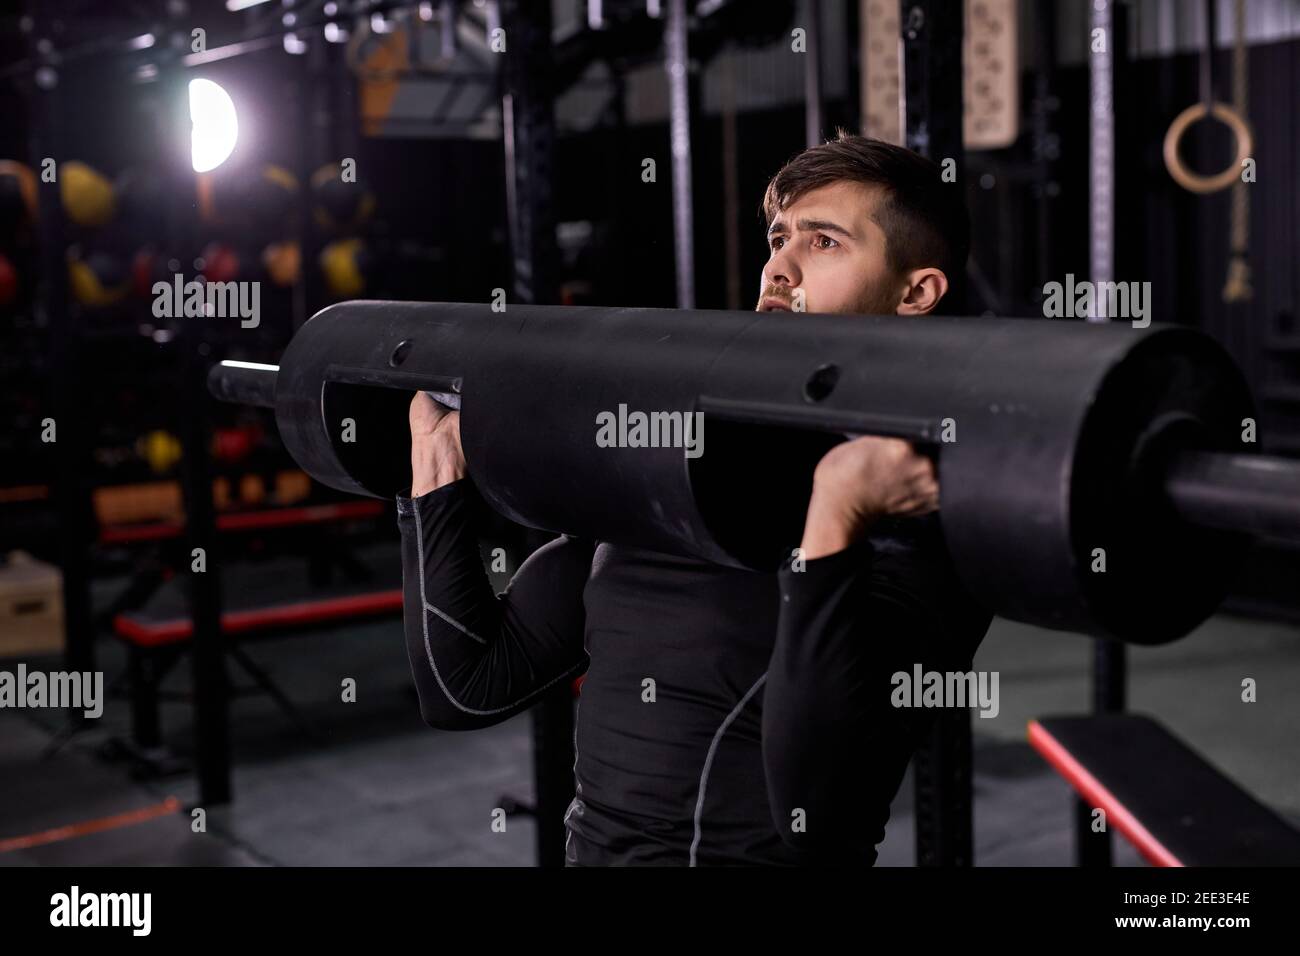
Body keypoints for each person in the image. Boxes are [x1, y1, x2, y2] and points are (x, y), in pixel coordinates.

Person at [397, 132, 991, 865]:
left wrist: (835, 516)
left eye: (826, 242)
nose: (780, 266)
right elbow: (465, 690)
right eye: (779, 239)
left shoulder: (922, 516)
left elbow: (820, 811)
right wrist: (436, 468)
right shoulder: (675, 469)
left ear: (916, 291)